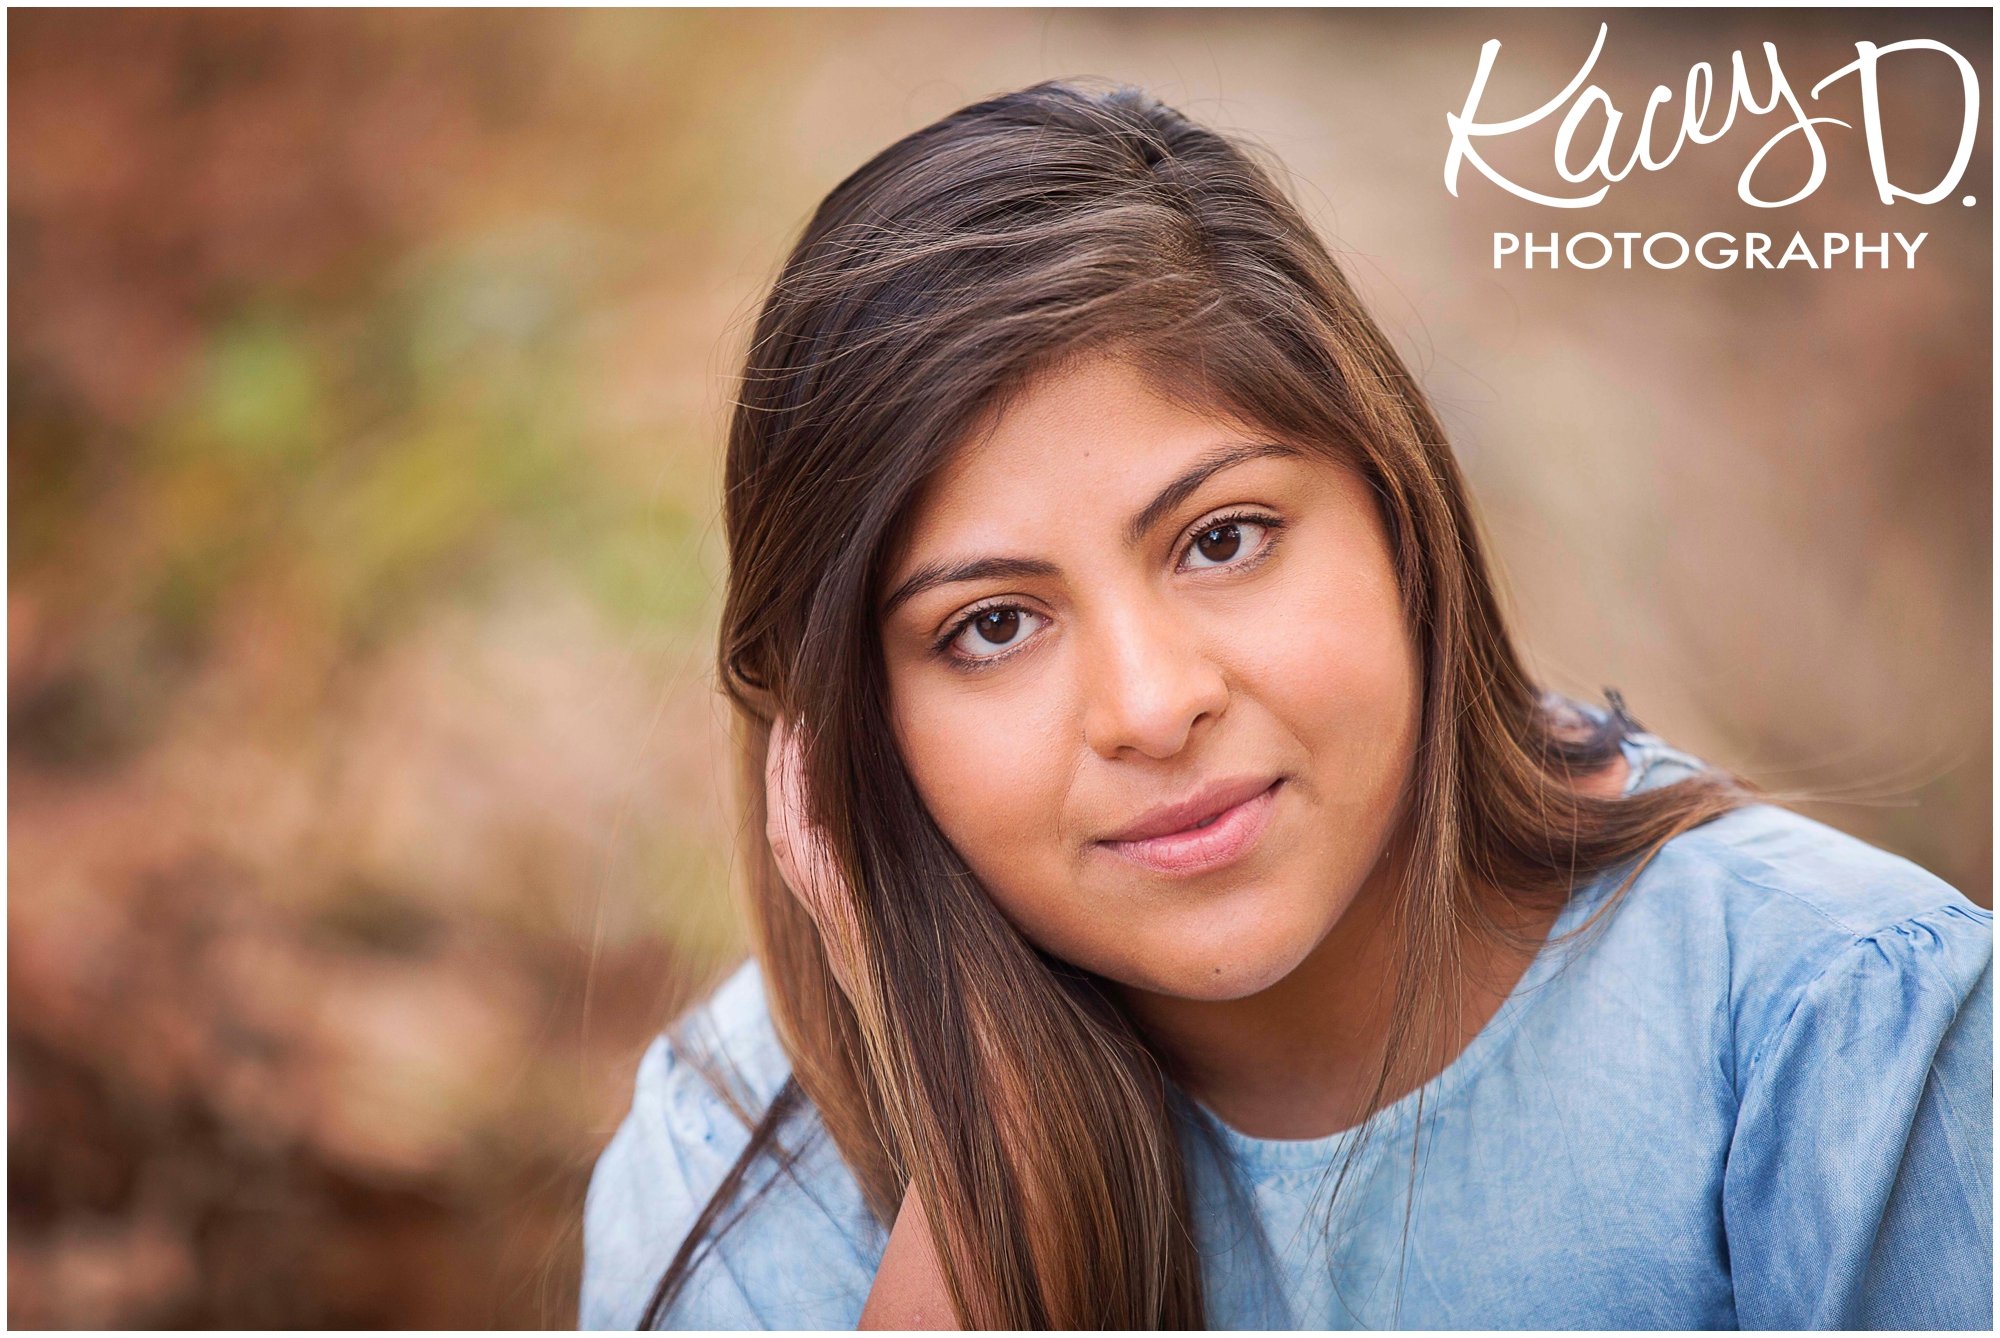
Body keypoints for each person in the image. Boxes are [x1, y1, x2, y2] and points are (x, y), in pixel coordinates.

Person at [579, 79, 1993, 1330]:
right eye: (992, 626)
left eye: (1224, 536)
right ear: (841, 737)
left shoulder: (1834, 1035)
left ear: (1397, 516)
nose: (1151, 703)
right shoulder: (744, 1154)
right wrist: (989, 1171)